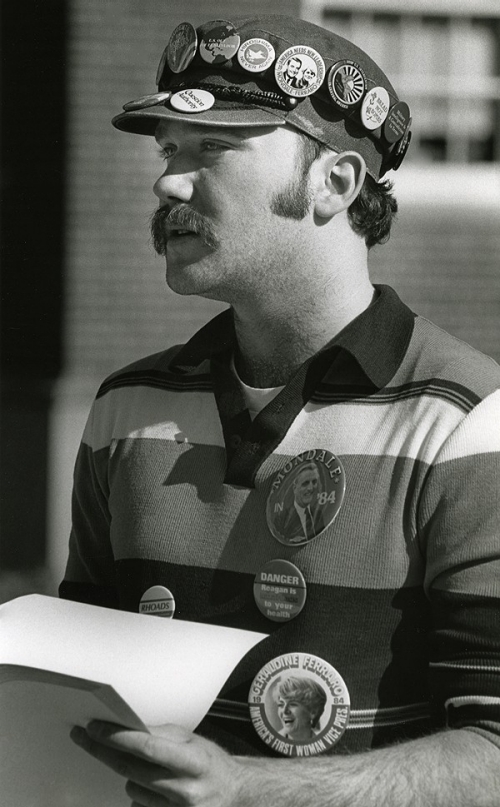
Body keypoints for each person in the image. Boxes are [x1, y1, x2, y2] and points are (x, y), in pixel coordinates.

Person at [63, 13, 500, 807]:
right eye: (169, 149)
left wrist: (247, 789)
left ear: (336, 183)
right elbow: (70, 698)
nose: (168, 181)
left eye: (213, 149)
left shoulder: (466, 422)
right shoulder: (126, 408)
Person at [274, 463, 326, 543]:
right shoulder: (282, 518)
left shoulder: (318, 515)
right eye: (305, 483)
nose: (310, 488)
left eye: (314, 482)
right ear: (295, 488)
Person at [276, 676, 327, 741]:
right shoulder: (271, 741)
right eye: (281, 705)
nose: (284, 711)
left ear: (313, 712)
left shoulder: (323, 742)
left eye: (293, 704)